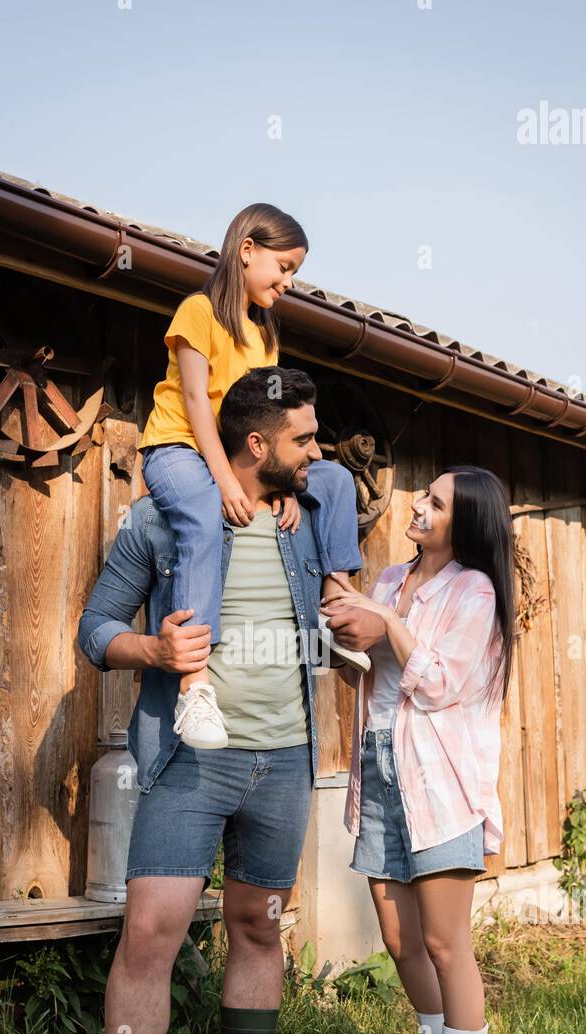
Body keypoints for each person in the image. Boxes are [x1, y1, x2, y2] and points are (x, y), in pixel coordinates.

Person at [77, 366, 362, 1034]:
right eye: (302, 438)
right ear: (254, 445)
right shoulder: (161, 523)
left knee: (259, 929)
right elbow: (95, 629)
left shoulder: (304, 517)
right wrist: (153, 651)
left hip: (284, 762)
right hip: (189, 760)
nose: (316, 450)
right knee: (149, 936)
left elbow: (340, 573)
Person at [321, 466, 515, 1034]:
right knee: (400, 941)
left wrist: (385, 621)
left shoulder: (475, 590)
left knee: (443, 942)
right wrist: (345, 635)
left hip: (438, 780)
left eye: (434, 502)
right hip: (377, 769)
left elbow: (434, 682)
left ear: (463, 524)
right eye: (422, 495)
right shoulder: (385, 582)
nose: (417, 505)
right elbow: (366, 671)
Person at [137, 201, 368, 753]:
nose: (287, 282)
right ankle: (196, 685)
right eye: (283, 267)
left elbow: (270, 423)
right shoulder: (198, 312)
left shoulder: (265, 334)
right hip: (179, 447)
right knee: (199, 517)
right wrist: (223, 479)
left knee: (334, 482)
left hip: (237, 454)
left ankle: (335, 601)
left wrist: (286, 485)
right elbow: (196, 401)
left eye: (294, 272)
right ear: (246, 251)